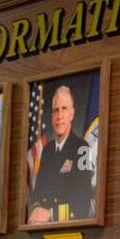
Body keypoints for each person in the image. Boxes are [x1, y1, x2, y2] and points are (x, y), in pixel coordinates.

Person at [27, 84, 94, 223]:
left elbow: (83, 204)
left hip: (69, 228)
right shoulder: (47, 150)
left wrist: (51, 214)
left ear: (72, 114)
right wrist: (36, 210)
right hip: (43, 228)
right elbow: (38, 195)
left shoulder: (82, 149)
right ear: (51, 117)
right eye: (56, 110)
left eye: (64, 109)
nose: (59, 116)